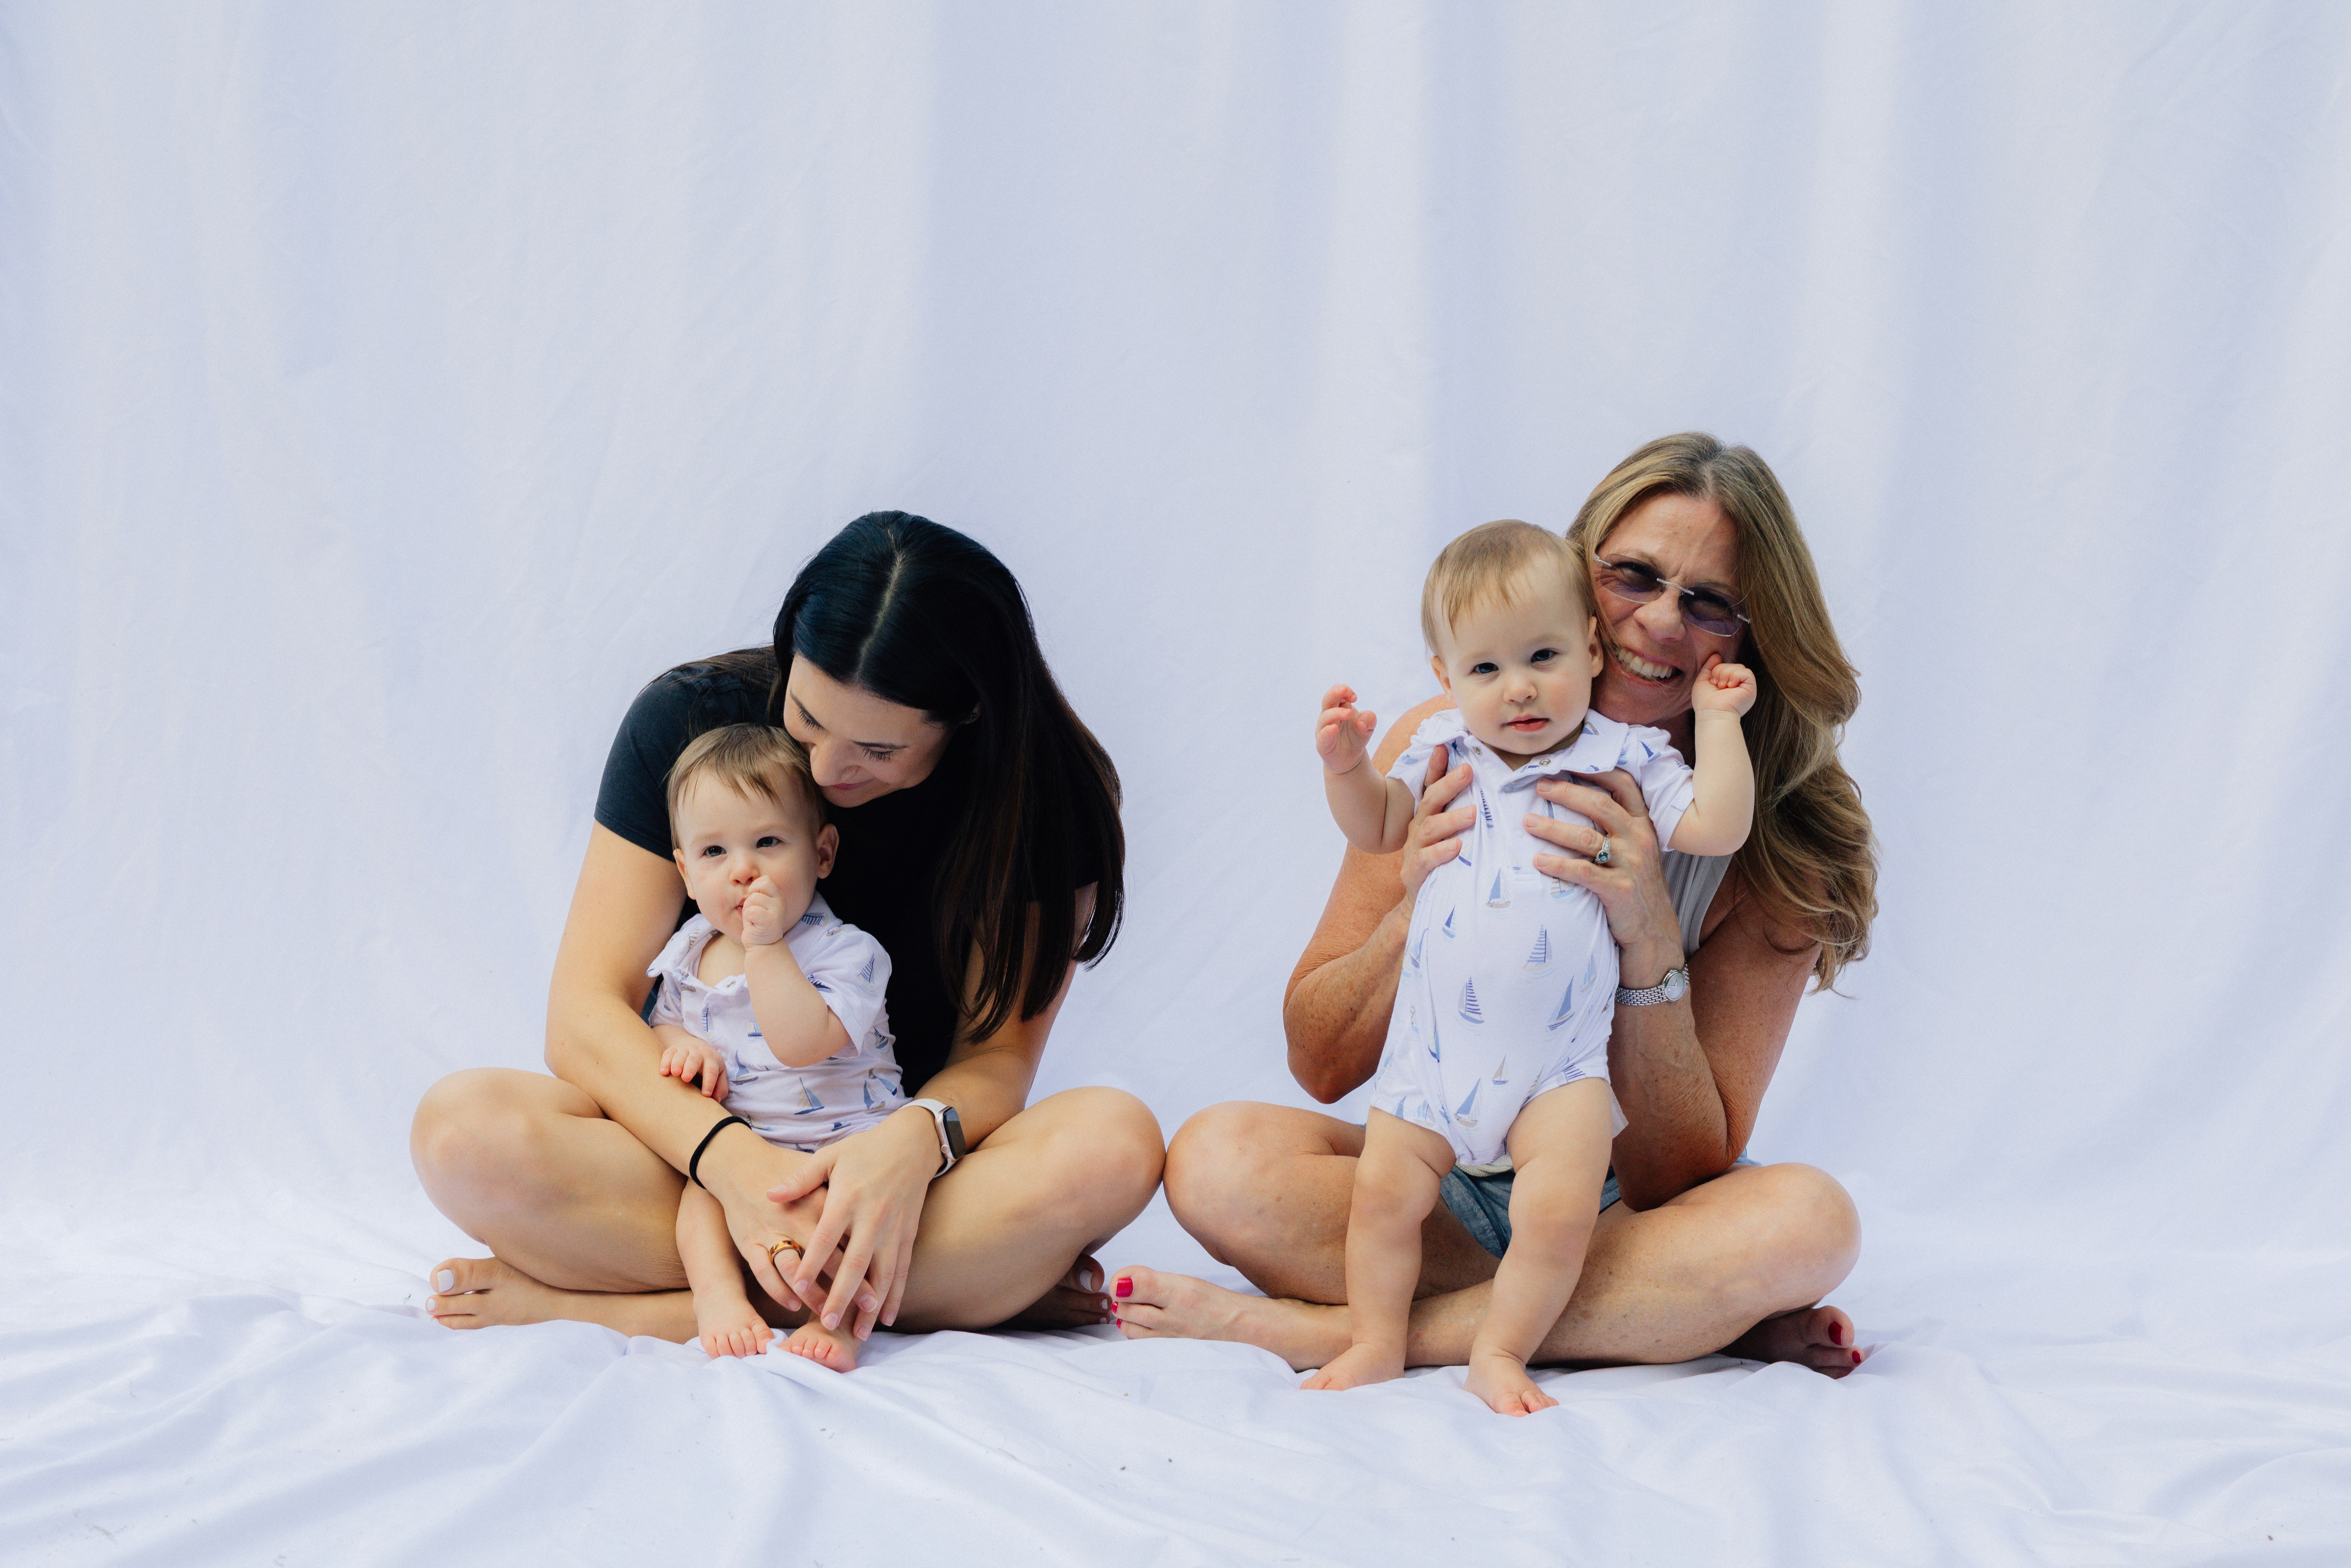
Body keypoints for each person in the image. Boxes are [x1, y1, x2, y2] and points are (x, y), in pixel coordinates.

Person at [1113, 434, 1877, 1379]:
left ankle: (1344, 1333)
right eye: (1633, 576)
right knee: (1216, 1157)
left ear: (1751, 636)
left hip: (1616, 1209)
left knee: (1807, 1223)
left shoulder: (1779, 846)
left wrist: (1646, 933)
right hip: (1446, 1169)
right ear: (1578, 581)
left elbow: (1680, 1171)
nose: (1663, 623)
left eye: (1710, 601)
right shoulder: (1445, 748)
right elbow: (1319, 1062)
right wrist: (1415, 899)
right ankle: (1660, 1314)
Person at [410, 511, 1163, 1347]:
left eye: (875, 749)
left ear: (968, 719)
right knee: (460, 1130)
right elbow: (587, 1012)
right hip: (688, 1150)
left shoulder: (1038, 804)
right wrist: (734, 1164)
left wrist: (907, 1149)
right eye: (806, 717)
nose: (823, 769)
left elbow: (996, 1060)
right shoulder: (691, 723)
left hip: (881, 1160)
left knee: (1114, 1141)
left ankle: (647, 1305)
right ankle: (955, 1289)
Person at [1305, 520, 1756, 1413]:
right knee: (1379, 1202)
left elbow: (1717, 826)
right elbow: (1377, 824)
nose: (1518, 690)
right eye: (1485, 670)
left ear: (1591, 649)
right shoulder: (1442, 745)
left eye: (1543, 656)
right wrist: (1348, 765)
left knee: (1555, 1216)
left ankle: (1501, 1349)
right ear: (1445, 678)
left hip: (1559, 1072)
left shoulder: (1622, 754)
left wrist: (1717, 722)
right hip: (1431, 1063)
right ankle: (1374, 1339)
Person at [651, 723, 902, 1370]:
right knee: (697, 1200)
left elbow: (800, 1041)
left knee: (853, 1219)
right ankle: (716, 1297)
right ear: (684, 870)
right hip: (742, 1154)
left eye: (767, 842)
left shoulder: (850, 953)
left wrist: (766, 949)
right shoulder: (688, 950)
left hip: (844, 1149)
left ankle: (841, 1318)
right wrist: (680, 1045)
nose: (743, 870)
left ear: (820, 852)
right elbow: (660, 1024)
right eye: (713, 852)